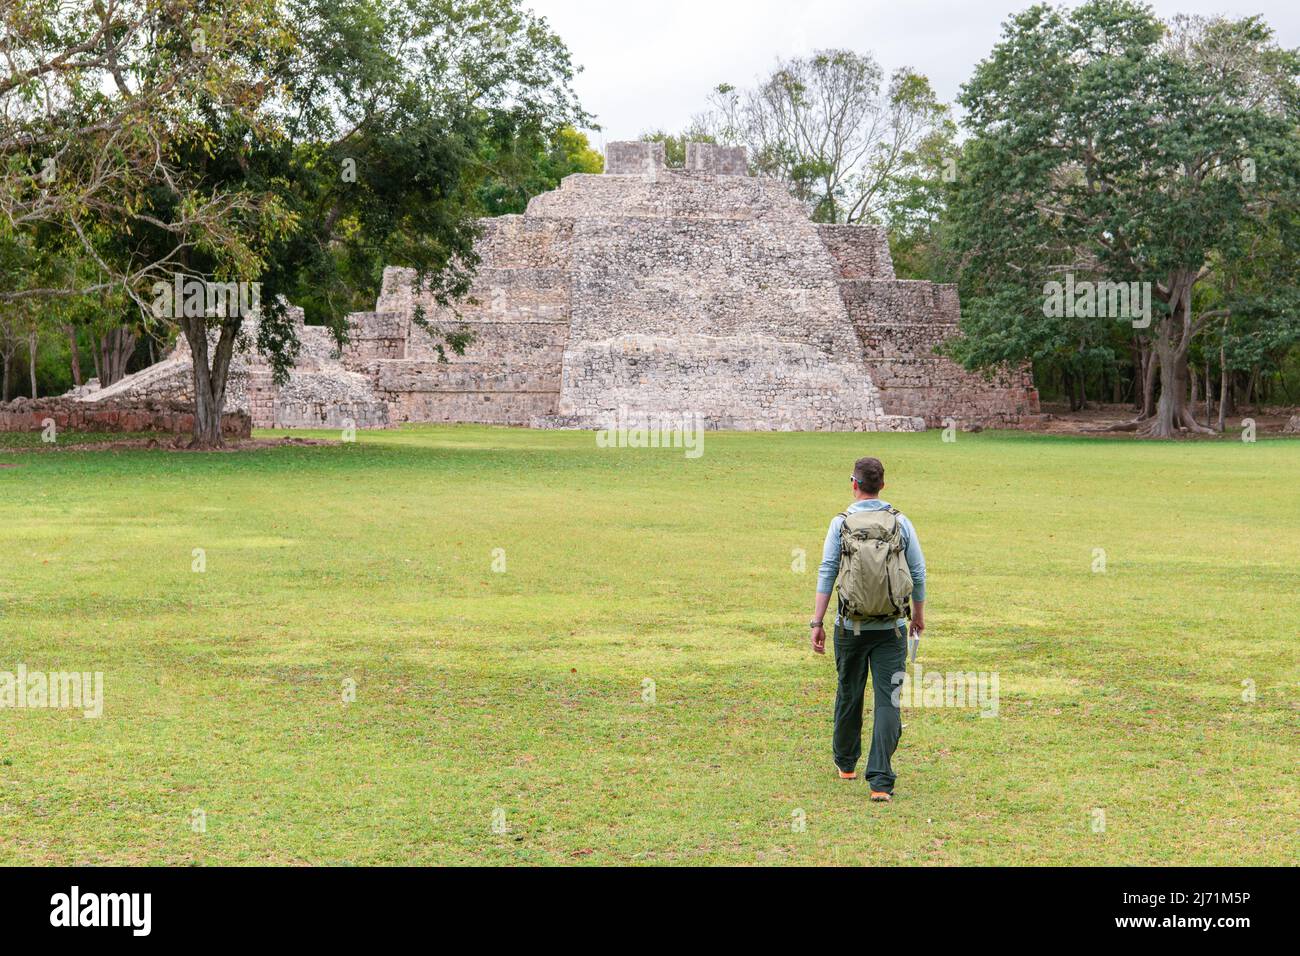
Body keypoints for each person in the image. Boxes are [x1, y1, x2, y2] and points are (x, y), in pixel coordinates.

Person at [809, 456, 926, 802]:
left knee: (849, 692)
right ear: (883, 486)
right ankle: (880, 781)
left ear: (854, 483)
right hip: (892, 627)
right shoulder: (901, 522)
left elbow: (827, 571)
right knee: (888, 701)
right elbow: (917, 573)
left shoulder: (840, 523)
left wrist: (817, 621)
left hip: (850, 626)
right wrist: (918, 615)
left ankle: (846, 762)